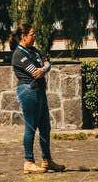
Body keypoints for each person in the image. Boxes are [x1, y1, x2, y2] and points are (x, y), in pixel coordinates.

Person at [10, 24, 64, 174]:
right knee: (31, 127)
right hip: (28, 91)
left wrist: (45, 67)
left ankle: (47, 160)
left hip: (40, 91)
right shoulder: (18, 54)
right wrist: (43, 68)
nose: (35, 37)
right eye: (32, 34)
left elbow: (47, 63)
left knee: (45, 127)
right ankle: (28, 161)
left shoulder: (34, 51)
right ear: (23, 36)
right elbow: (36, 73)